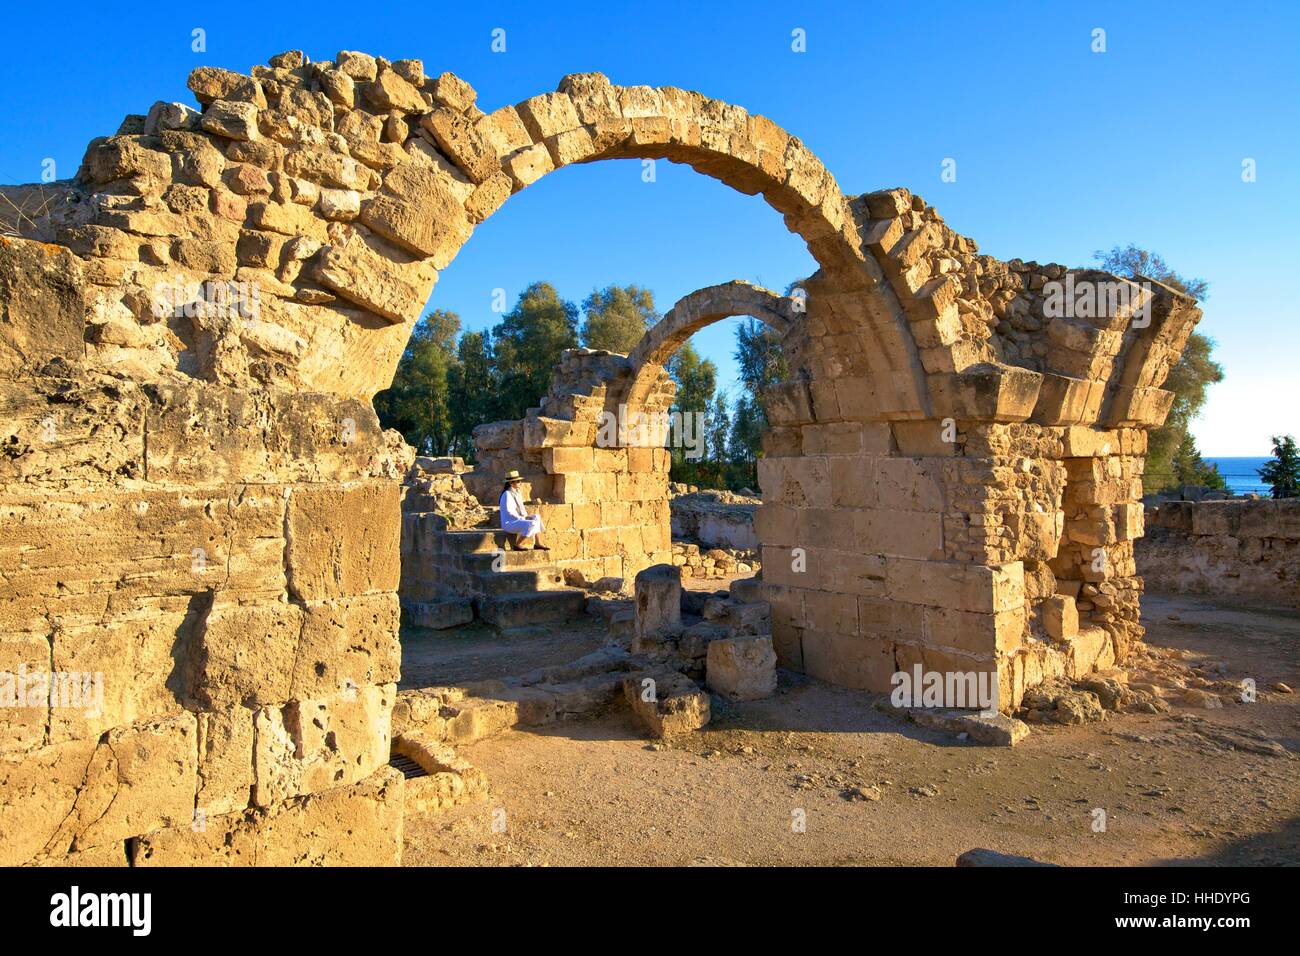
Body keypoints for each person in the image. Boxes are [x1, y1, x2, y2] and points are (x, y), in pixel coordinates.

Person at [498, 470, 548, 550]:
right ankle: (518, 544)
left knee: (536, 517)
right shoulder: (507, 494)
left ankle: (538, 543)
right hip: (510, 523)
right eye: (518, 481)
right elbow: (509, 511)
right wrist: (522, 518)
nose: (520, 483)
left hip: (517, 520)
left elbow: (521, 508)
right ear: (511, 483)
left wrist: (525, 517)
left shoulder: (517, 493)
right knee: (532, 524)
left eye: (520, 481)